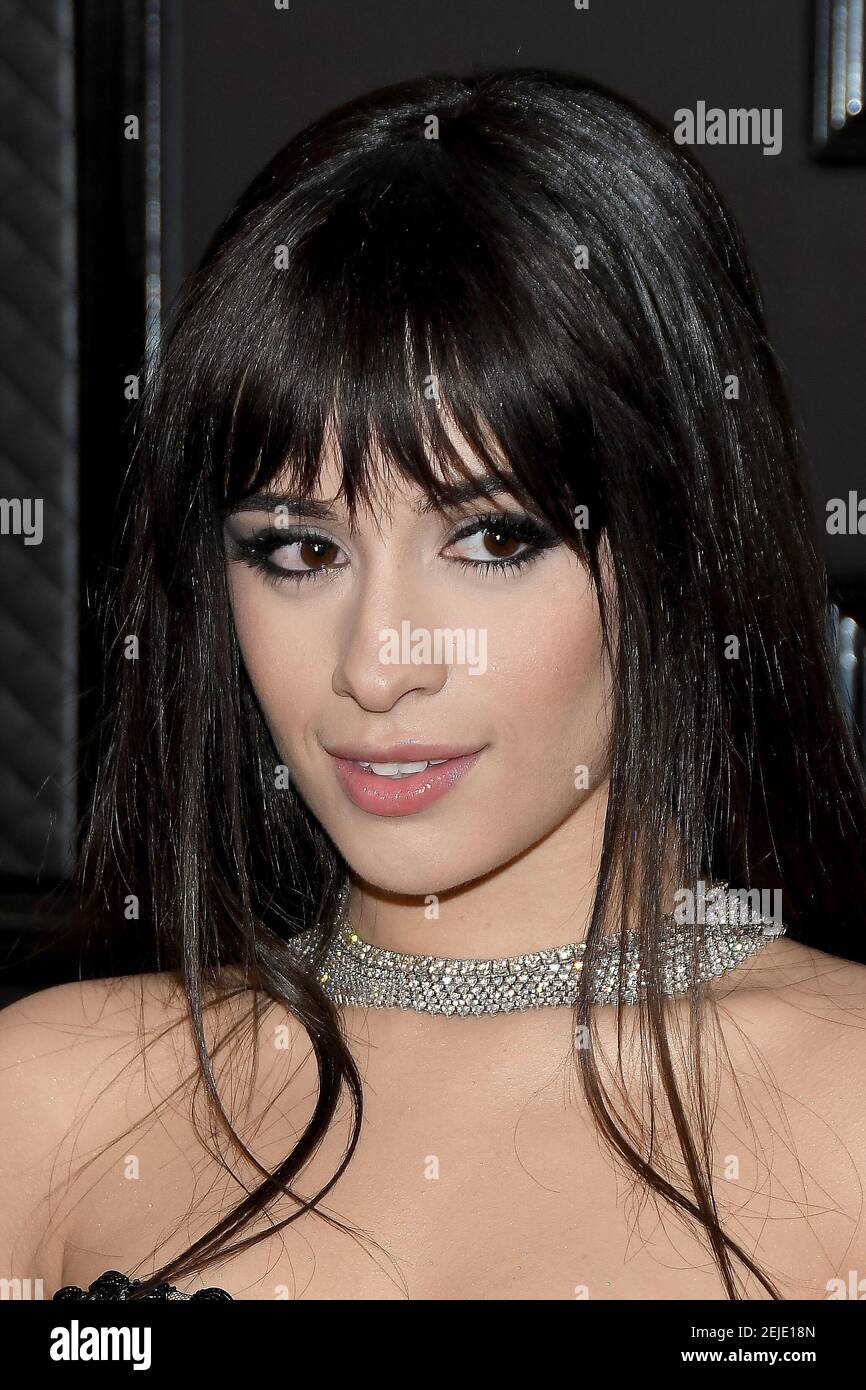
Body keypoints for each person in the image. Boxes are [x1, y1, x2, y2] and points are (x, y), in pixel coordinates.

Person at [2, 66, 866, 1303]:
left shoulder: (844, 1112)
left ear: (679, 548)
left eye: (492, 541)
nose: (376, 665)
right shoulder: (43, 1108)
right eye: (298, 551)